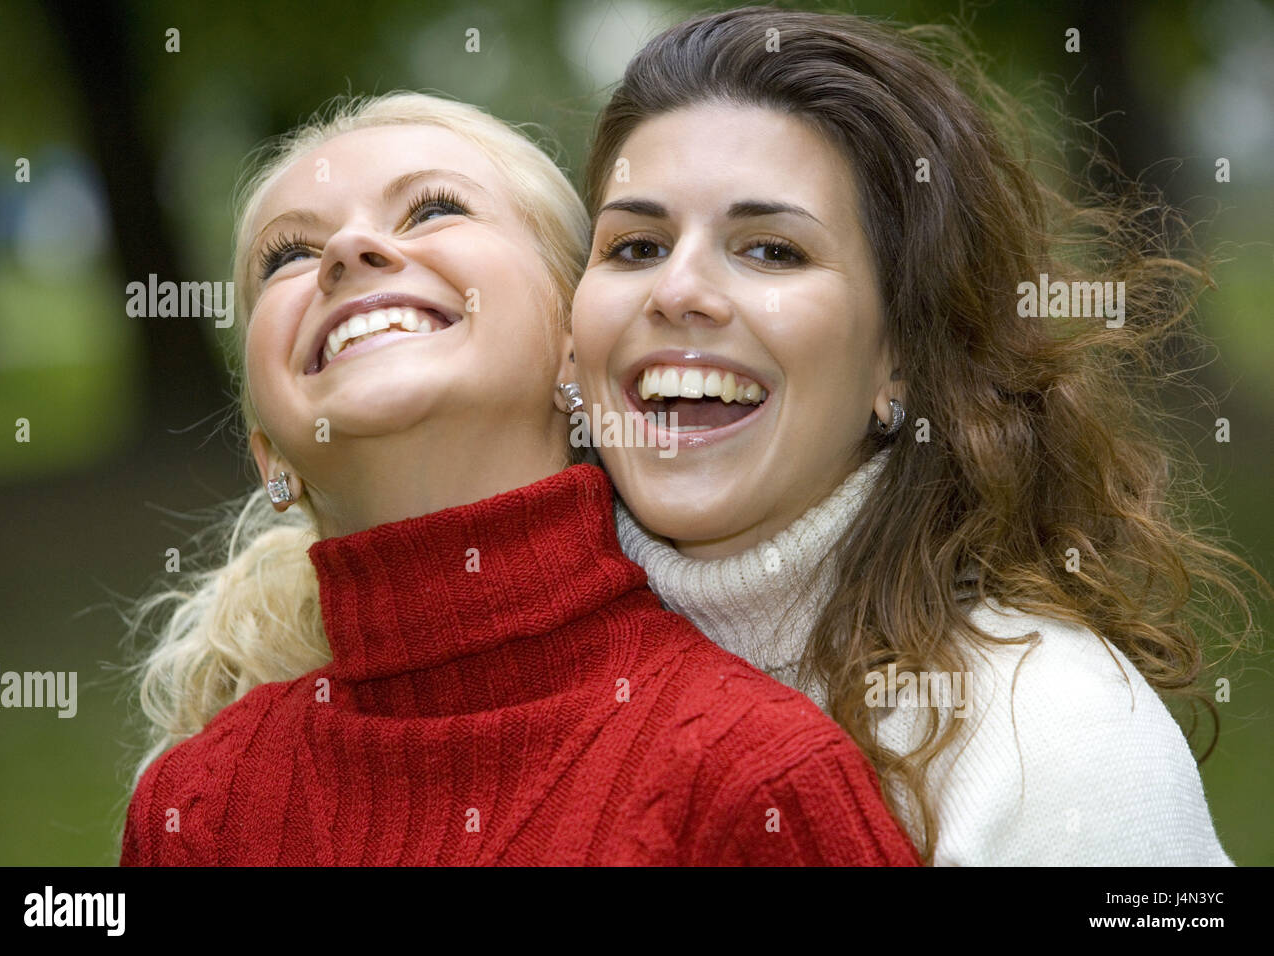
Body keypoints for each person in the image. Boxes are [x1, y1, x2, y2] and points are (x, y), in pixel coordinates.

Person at [118, 91, 921, 866]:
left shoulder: (755, 778)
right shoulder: (193, 808)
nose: (346, 252)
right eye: (288, 255)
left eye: (432, 209)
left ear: (574, 346)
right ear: (271, 458)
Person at [569, 7, 1263, 865]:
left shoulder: (1059, 732)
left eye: (772, 251)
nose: (677, 290)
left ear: (898, 359)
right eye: (636, 246)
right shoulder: (515, 691)